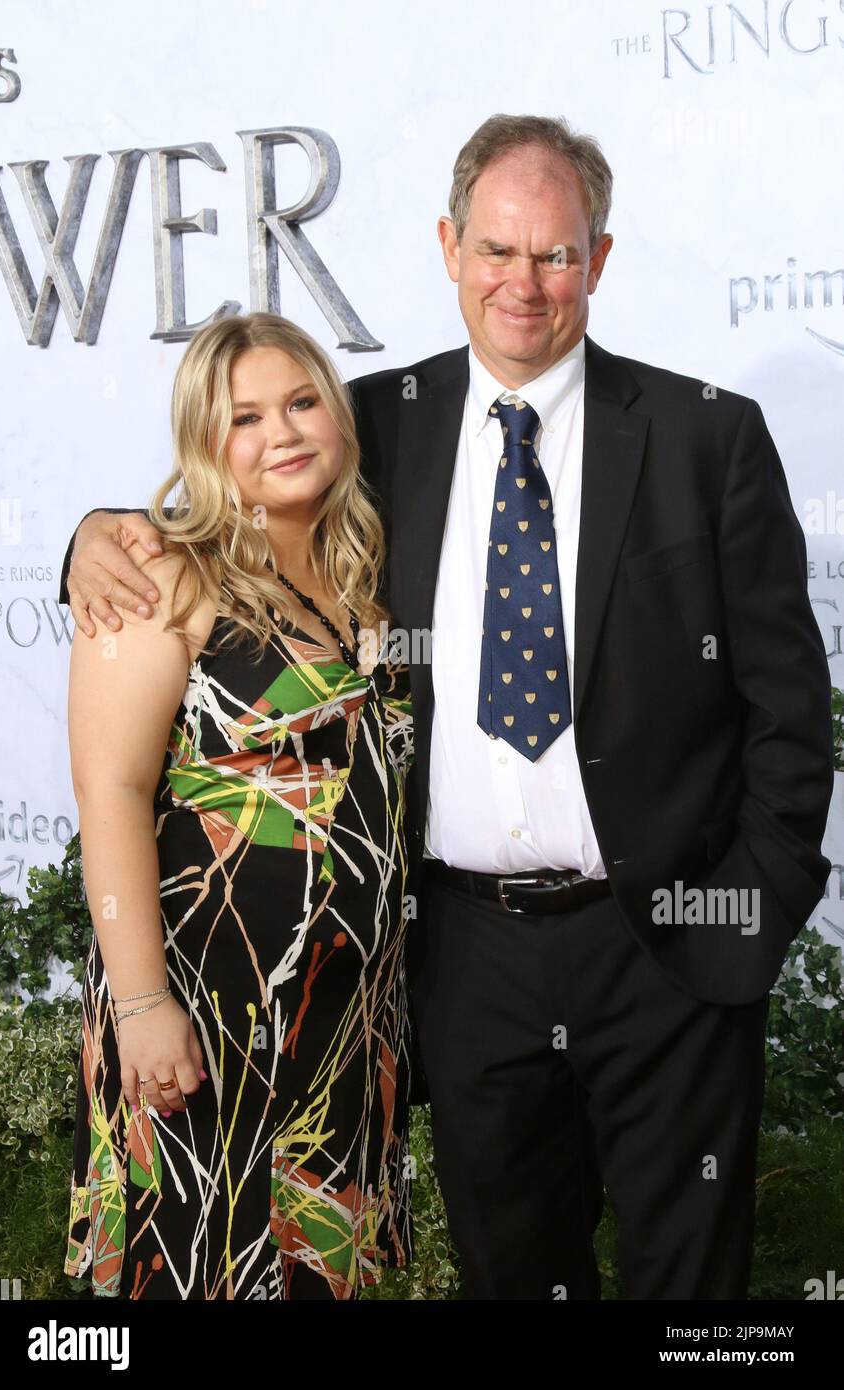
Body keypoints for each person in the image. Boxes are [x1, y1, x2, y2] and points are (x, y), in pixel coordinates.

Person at [59, 114, 835, 1300]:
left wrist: (746, 915)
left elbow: (789, 707)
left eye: (554, 255)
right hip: (463, 960)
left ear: (599, 260)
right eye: (495, 251)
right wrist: (90, 537)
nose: (522, 284)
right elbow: (231, 481)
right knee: (511, 1271)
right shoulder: (374, 421)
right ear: (446, 246)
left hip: (665, 950)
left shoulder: (703, 437)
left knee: (693, 1291)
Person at [62, 311, 415, 1300]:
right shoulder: (165, 574)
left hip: (338, 1021)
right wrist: (140, 1007)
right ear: (205, 446)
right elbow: (113, 791)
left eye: (301, 401)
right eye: (244, 418)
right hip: (199, 1007)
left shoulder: (367, 571)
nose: (283, 432)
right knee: (183, 1270)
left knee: (303, 1276)